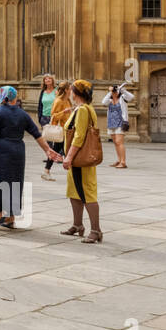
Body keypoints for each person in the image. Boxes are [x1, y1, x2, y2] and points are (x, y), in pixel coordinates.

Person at [0, 86, 62, 229]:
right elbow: (36, 133)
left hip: (1, 151)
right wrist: (47, 150)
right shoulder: (22, 114)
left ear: (3, 97)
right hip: (18, 151)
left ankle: (0, 215)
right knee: (14, 182)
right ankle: (10, 217)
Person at [59, 79, 103, 243]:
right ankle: (77, 225)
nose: (69, 92)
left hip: (80, 158)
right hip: (77, 159)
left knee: (87, 193)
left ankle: (96, 230)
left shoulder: (83, 110)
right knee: (74, 192)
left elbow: (79, 136)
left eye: (71, 90)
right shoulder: (81, 109)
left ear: (76, 93)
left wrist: (69, 157)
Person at [43, 80, 72, 181]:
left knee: (60, 151)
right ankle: (47, 171)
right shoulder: (58, 100)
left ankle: (46, 170)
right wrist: (64, 112)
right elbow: (53, 115)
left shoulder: (68, 100)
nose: (71, 91)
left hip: (68, 130)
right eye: (70, 89)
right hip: (62, 131)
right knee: (66, 151)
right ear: (66, 90)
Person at [102, 83, 134, 168]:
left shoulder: (123, 98)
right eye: (113, 91)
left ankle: (123, 162)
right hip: (111, 123)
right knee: (116, 142)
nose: (114, 92)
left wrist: (122, 90)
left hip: (120, 123)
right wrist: (110, 92)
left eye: (115, 90)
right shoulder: (109, 100)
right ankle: (119, 160)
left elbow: (131, 97)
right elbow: (103, 102)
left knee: (119, 142)